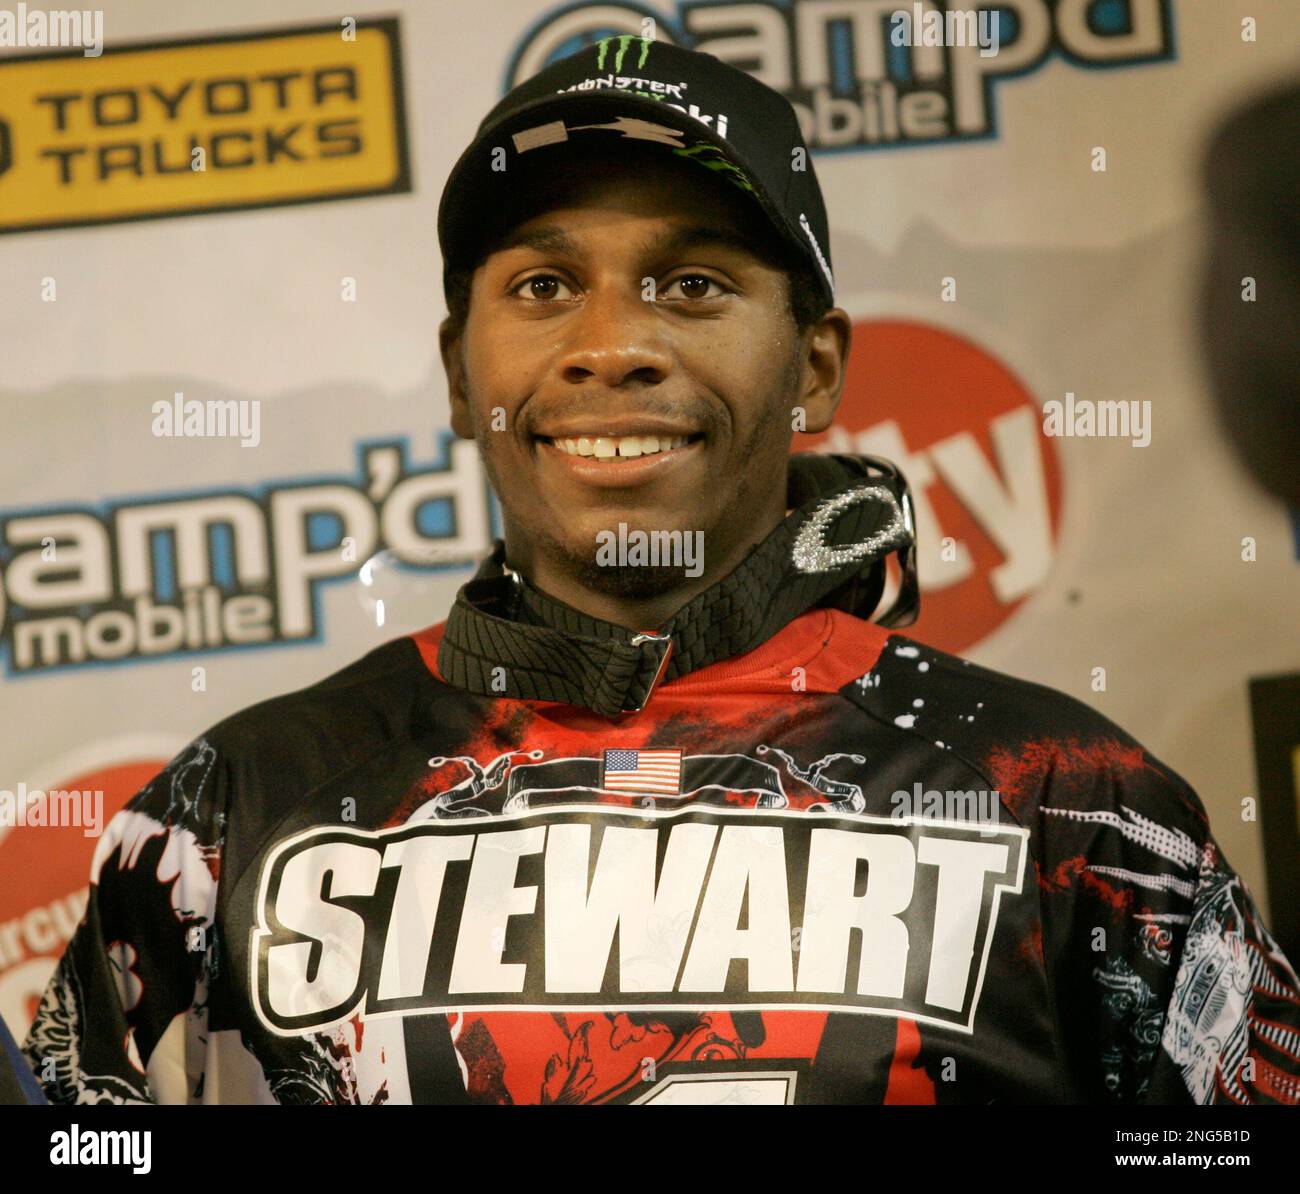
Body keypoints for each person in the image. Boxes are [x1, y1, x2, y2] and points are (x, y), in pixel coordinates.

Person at [23, 37, 1300, 1106]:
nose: (612, 344)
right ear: (463, 372)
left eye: (690, 284)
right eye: (541, 285)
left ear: (813, 366)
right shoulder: (231, 808)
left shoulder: (1074, 804)